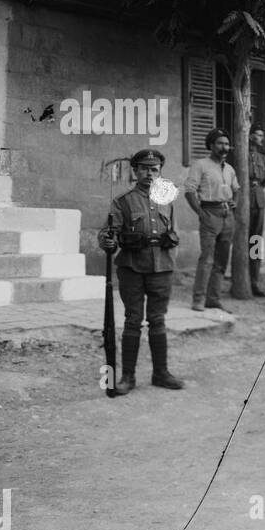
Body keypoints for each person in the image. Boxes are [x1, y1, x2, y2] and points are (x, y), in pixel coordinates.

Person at [98, 149, 184, 392]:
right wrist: (108, 241)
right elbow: (107, 232)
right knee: (133, 320)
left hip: (161, 268)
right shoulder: (123, 202)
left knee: (158, 319)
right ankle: (128, 377)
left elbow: (175, 233)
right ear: (135, 171)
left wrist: (171, 252)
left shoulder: (167, 198)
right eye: (144, 169)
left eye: (154, 169)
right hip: (133, 268)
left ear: (160, 172)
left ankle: (161, 373)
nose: (149, 173)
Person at [184, 128, 239, 312]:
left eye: (226, 143)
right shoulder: (200, 165)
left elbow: (236, 188)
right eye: (219, 143)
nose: (224, 147)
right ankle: (198, 299)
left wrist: (234, 203)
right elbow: (190, 190)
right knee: (207, 259)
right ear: (211, 145)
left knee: (221, 261)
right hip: (209, 213)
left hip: (227, 216)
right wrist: (200, 212)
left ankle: (213, 299)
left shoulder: (230, 169)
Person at [248, 126, 265, 297]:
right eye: (257, 134)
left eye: (262, 135)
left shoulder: (263, 158)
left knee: (256, 242)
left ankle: (254, 281)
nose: (260, 138)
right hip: (244, 202)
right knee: (242, 241)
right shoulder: (238, 155)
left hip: (259, 201)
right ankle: (241, 278)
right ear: (249, 135)